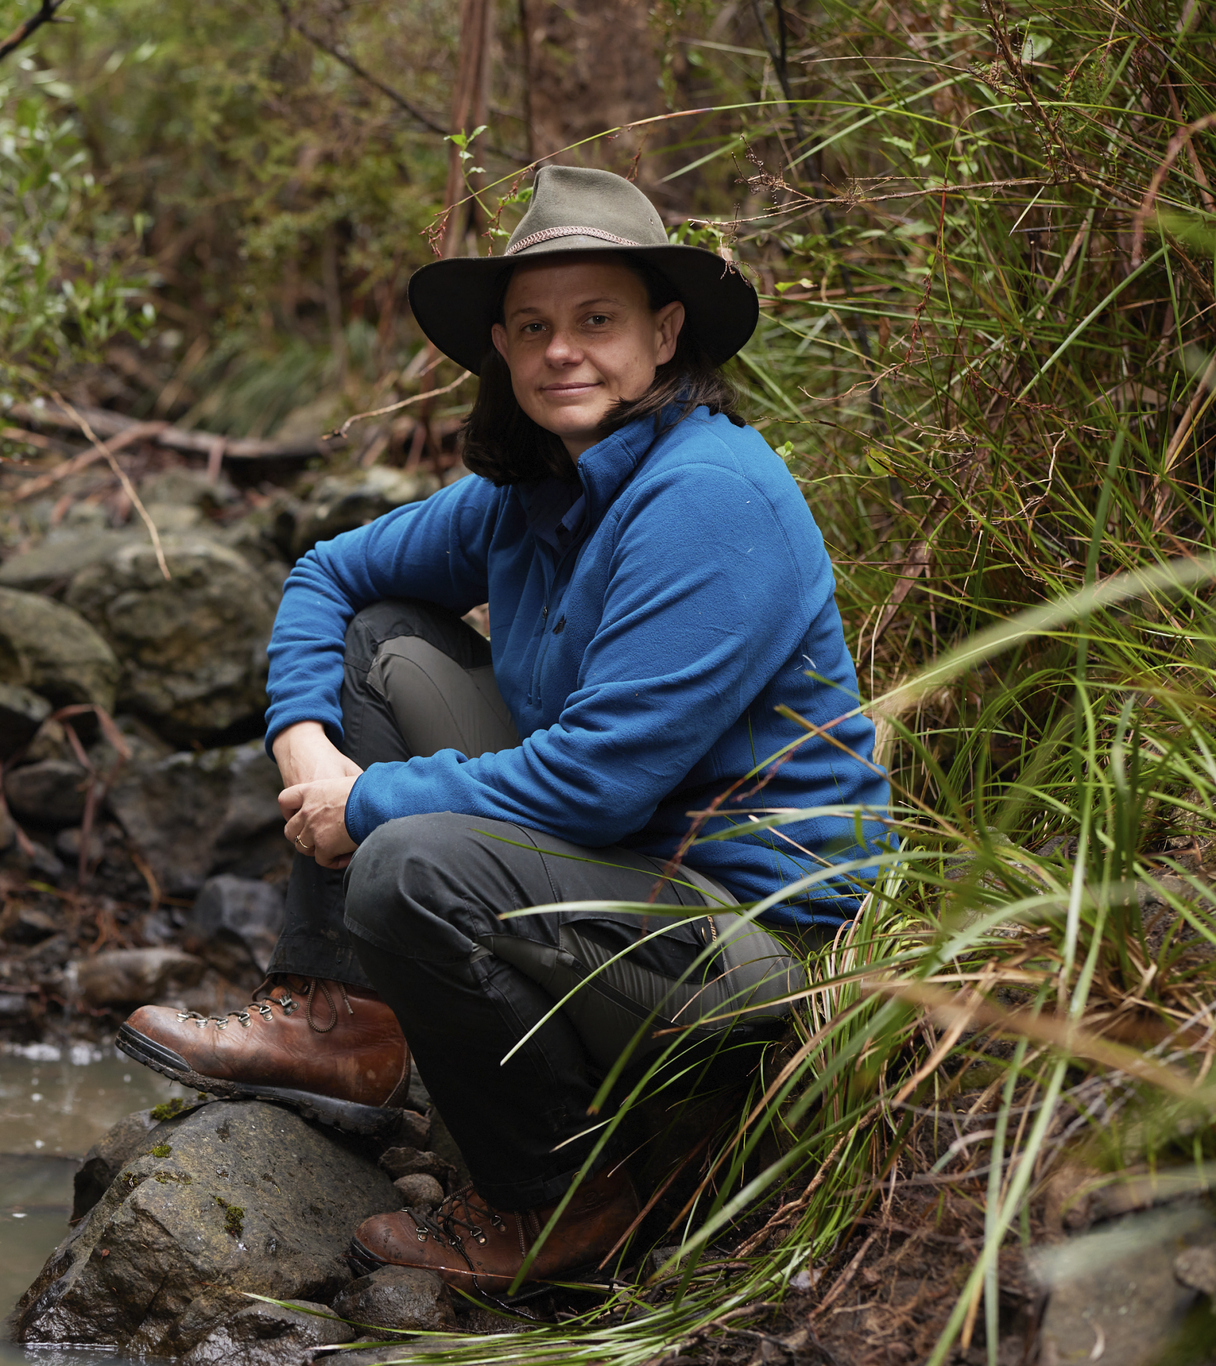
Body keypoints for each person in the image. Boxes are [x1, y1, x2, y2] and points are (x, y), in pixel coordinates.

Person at [116, 164, 889, 1293]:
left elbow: (594, 786)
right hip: (617, 872)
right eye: (532, 327)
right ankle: (350, 1023)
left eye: (594, 321)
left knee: (408, 865)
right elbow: (326, 571)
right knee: (379, 629)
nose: (559, 350)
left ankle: (558, 1197)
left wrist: (364, 804)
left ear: (664, 334)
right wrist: (304, 746)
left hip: (749, 939)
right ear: (502, 350)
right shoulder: (532, 488)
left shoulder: (709, 493)